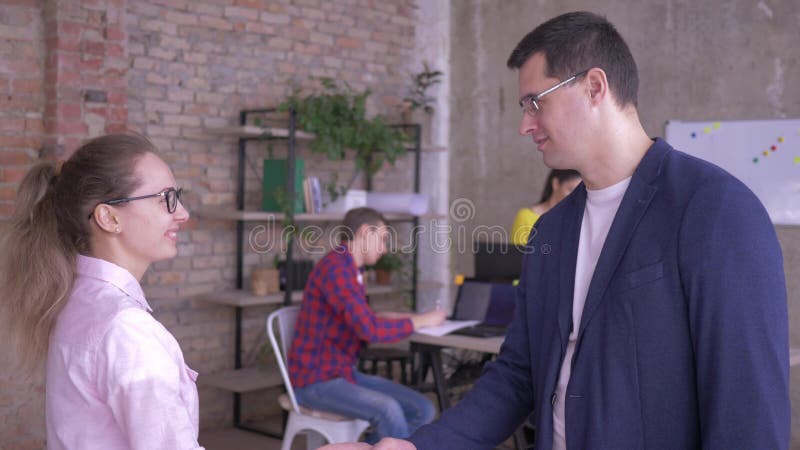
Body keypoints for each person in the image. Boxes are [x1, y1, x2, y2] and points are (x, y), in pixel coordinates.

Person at [322, 10, 789, 450]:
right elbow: (518, 374)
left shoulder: (715, 210)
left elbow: (747, 415)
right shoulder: (551, 231)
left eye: (535, 103)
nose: (525, 125)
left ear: (594, 87)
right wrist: (416, 445)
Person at [0, 134, 201, 449]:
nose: (183, 213)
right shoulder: (128, 330)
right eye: (165, 198)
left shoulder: (75, 298)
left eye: (177, 196)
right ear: (109, 217)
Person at [287, 207, 446, 443]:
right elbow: (368, 330)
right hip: (315, 381)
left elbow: (360, 319)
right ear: (364, 232)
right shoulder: (336, 269)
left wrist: (390, 317)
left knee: (422, 409)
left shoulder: (352, 269)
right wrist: (420, 321)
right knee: (388, 410)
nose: (384, 248)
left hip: (343, 373)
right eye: (382, 239)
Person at [509, 169, 581, 245]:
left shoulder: (576, 221)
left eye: (579, 193)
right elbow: (518, 252)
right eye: (571, 190)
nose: (576, 197)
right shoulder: (526, 217)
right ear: (556, 184)